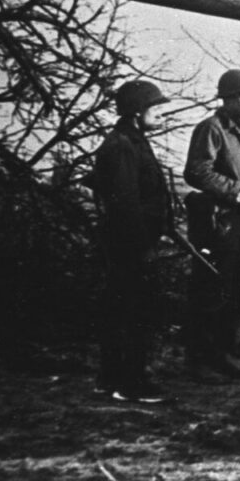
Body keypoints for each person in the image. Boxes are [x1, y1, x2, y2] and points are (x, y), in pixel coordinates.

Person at [86, 79, 174, 404]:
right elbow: (125, 203)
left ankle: (110, 380)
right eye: (155, 108)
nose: (162, 114)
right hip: (129, 244)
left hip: (128, 242)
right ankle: (130, 384)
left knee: (122, 309)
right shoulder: (122, 144)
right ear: (138, 112)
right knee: (133, 311)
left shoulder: (131, 141)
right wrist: (143, 247)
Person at [182, 68, 240, 381]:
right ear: (228, 98)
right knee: (210, 290)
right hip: (216, 221)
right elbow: (197, 172)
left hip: (237, 221)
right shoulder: (212, 129)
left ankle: (221, 354)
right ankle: (199, 360)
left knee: (233, 291)